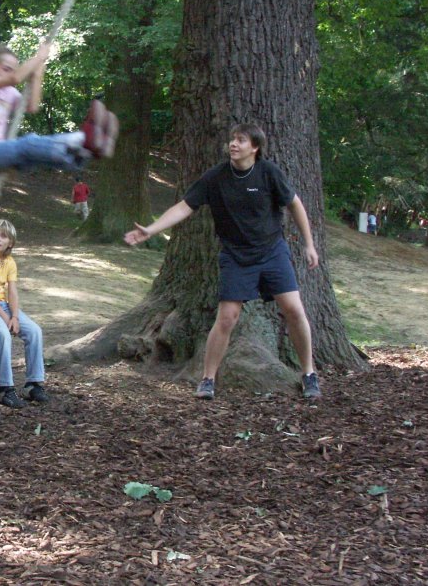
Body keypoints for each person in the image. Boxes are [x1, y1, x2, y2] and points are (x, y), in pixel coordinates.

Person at [124, 123, 322, 400]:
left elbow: (295, 204)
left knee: (294, 309)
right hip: (236, 256)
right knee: (227, 317)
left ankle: (309, 374)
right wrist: (151, 229)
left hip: (272, 252)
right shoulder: (216, 177)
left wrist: (309, 244)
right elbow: (184, 206)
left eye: (241, 140)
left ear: (255, 147)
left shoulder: (268, 173)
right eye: (232, 139)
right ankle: (207, 379)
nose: (233, 144)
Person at [0, 43, 119, 203]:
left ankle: (84, 152)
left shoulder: (9, 92)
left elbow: (32, 107)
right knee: (28, 144)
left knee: (34, 158)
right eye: (6, 69)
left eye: (13, 69)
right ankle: (81, 139)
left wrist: (37, 76)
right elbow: (15, 78)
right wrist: (39, 57)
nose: (10, 73)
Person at [0, 219, 48, 408]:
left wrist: (14, 316)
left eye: (3, 236)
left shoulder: (10, 262)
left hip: (3, 305)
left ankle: (33, 384)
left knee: (34, 331)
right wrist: (6, 319)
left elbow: (12, 292)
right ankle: (5, 388)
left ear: (10, 242)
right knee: (3, 333)